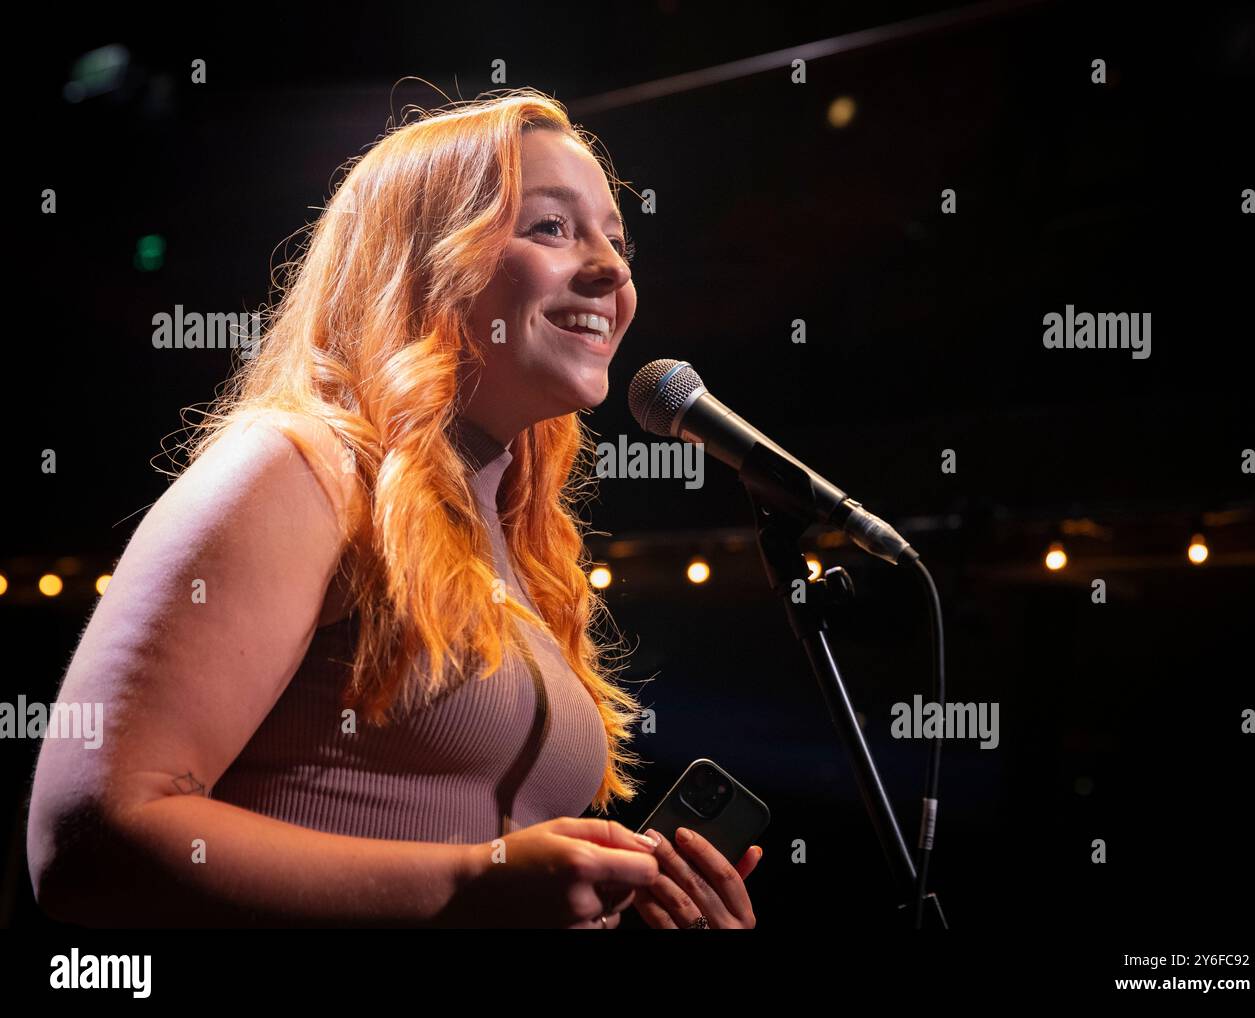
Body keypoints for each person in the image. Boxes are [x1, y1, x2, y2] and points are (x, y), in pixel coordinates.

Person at [26, 88, 761, 928]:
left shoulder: (515, 548)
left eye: (616, 239)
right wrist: (469, 882)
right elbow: (92, 837)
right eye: (552, 227)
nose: (611, 267)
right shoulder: (300, 468)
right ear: (424, 262)